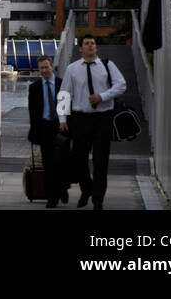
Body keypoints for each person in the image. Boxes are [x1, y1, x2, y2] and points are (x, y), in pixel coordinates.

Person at [60, 33, 126, 210]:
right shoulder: (72, 69)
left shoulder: (107, 65)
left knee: (100, 161)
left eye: (93, 43)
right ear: (80, 48)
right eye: (87, 43)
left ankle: (98, 200)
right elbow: (65, 94)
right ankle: (87, 188)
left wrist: (102, 96)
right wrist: (62, 118)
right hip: (81, 118)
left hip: (103, 118)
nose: (91, 46)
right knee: (78, 159)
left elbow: (121, 85)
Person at [27, 54, 68, 207]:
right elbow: (32, 112)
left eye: (46, 67)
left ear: (52, 67)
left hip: (60, 127)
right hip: (44, 128)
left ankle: (63, 188)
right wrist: (33, 133)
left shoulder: (62, 84)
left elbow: (66, 108)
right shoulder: (34, 87)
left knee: (62, 163)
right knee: (48, 164)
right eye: (41, 68)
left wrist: (67, 126)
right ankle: (52, 197)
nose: (44, 70)